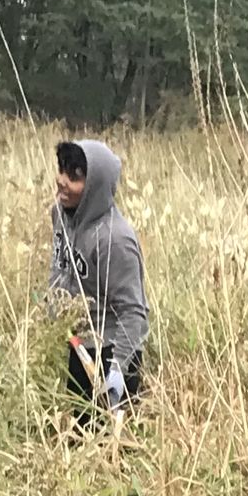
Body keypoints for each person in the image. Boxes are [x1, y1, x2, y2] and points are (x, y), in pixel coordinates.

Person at [51, 137, 150, 411]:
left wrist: (117, 369)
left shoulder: (115, 240)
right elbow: (59, 265)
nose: (62, 181)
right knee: (77, 436)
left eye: (75, 177)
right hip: (77, 342)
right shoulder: (60, 214)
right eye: (62, 170)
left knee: (109, 444)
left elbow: (134, 312)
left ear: (95, 186)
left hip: (112, 350)